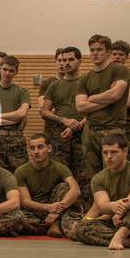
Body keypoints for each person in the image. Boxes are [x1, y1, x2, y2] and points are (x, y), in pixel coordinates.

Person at [69, 132, 130, 250]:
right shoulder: (98, 178)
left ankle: (119, 236)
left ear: (125, 152)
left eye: (114, 152)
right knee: (82, 229)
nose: (108, 157)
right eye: (105, 153)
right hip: (119, 223)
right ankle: (129, 242)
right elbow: (102, 205)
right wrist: (113, 206)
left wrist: (121, 209)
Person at [75, 34, 130, 184]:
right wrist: (106, 99)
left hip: (113, 128)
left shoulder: (119, 71)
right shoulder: (85, 78)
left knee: (114, 174)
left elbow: (115, 94)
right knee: (92, 176)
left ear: (108, 52)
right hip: (90, 130)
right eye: (92, 50)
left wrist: (91, 98)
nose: (95, 53)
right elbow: (80, 106)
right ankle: (97, 207)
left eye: (99, 49)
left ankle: (114, 207)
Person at [14, 134, 80, 238]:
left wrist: (55, 212)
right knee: (16, 220)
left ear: (49, 148)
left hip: (55, 212)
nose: (36, 152)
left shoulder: (60, 168)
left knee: (64, 187)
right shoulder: (21, 171)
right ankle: (51, 226)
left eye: (40, 147)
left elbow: (75, 190)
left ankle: (55, 223)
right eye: (32, 148)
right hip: (33, 213)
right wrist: (47, 208)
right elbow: (25, 202)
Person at [40, 46, 85, 193]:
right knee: (60, 174)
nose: (66, 63)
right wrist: (64, 120)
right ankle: (60, 208)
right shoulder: (54, 85)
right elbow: (44, 112)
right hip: (60, 135)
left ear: (79, 61)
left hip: (83, 133)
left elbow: (95, 110)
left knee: (83, 174)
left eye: (71, 59)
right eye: (63, 60)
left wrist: (75, 126)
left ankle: (82, 211)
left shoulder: (86, 82)